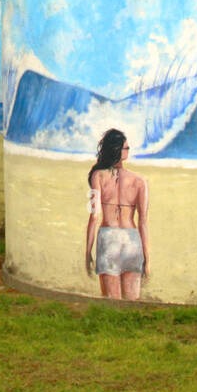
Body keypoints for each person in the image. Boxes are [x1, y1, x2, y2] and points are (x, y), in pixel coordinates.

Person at [85, 128, 149, 300]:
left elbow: (94, 217)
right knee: (132, 301)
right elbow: (142, 222)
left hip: (109, 238)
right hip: (132, 239)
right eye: (126, 148)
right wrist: (146, 257)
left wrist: (88, 251)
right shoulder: (139, 181)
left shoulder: (98, 176)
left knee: (112, 302)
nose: (128, 151)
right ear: (118, 150)